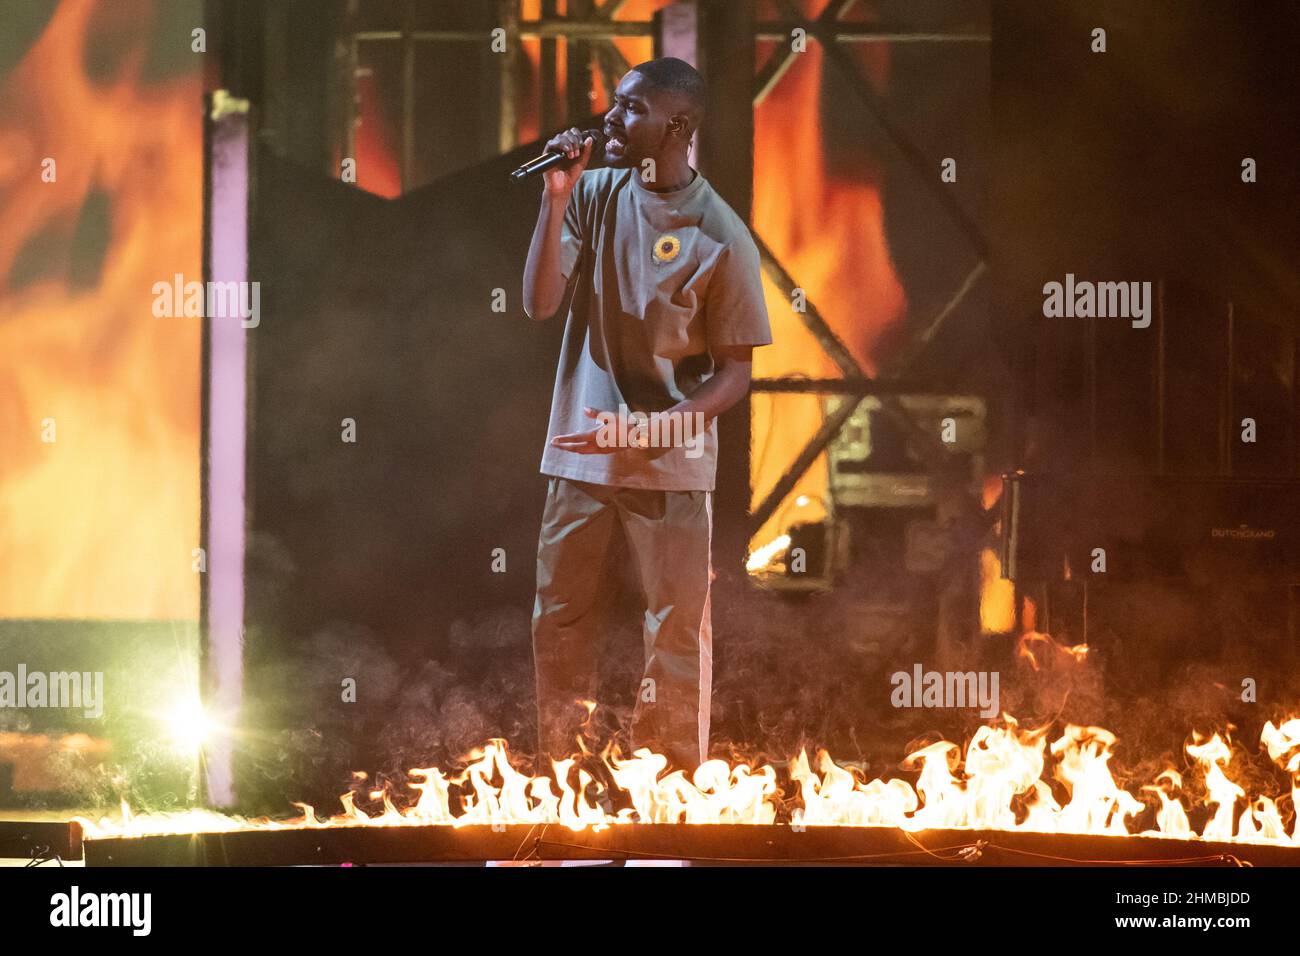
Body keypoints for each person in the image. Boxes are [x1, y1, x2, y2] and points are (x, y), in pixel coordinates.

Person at [522, 57, 772, 772]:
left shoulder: (720, 234)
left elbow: (735, 375)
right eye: (616, 103)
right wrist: (556, 198)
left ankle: (667, 783)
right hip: (581, 451)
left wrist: (658, 428)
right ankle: (560, 774)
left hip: (670, 464)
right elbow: (540, 304)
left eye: (631, 108)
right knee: (560, 618)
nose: (610, 117)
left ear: (678, 126)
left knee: (673, 631)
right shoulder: (595, 193)